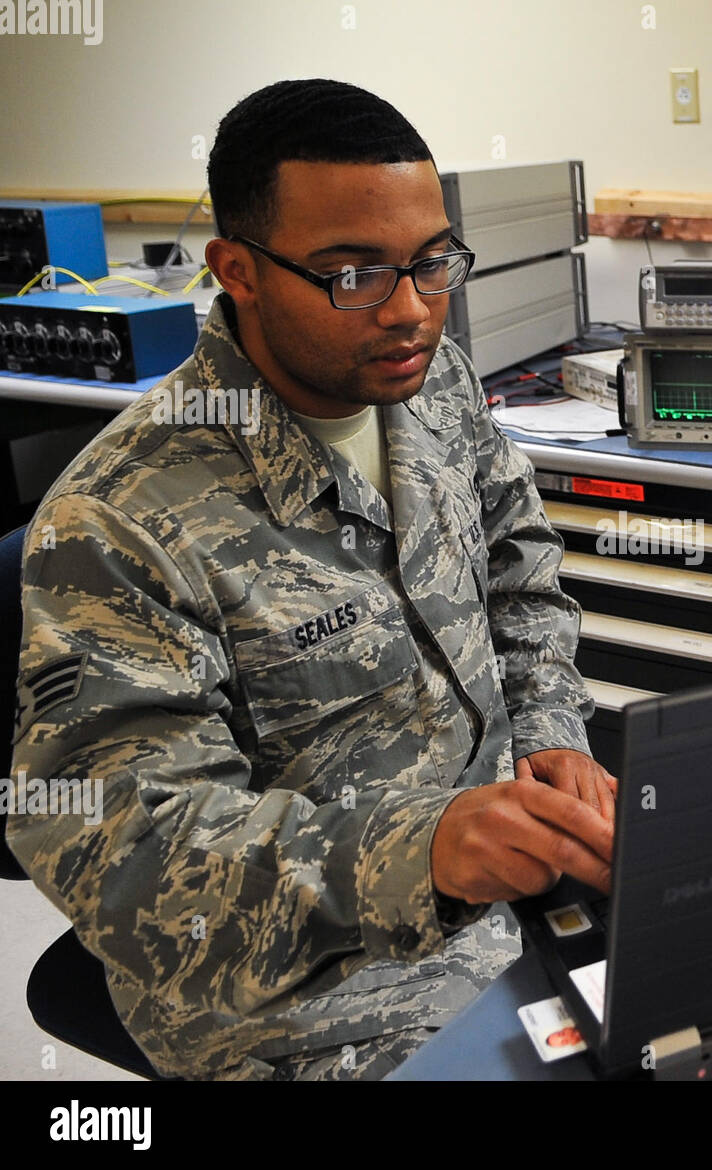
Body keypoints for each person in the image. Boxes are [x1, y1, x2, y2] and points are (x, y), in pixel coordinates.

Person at [7, 78, 615, 1081]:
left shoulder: (429, 381)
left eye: (431, 263)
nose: (412, 309)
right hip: (302, 1006)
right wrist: (418, 855)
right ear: (237, 270)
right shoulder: (118, 520)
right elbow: (126, 862)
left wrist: (550, 739)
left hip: (509, 912)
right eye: (354, 275)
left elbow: (519, 572)